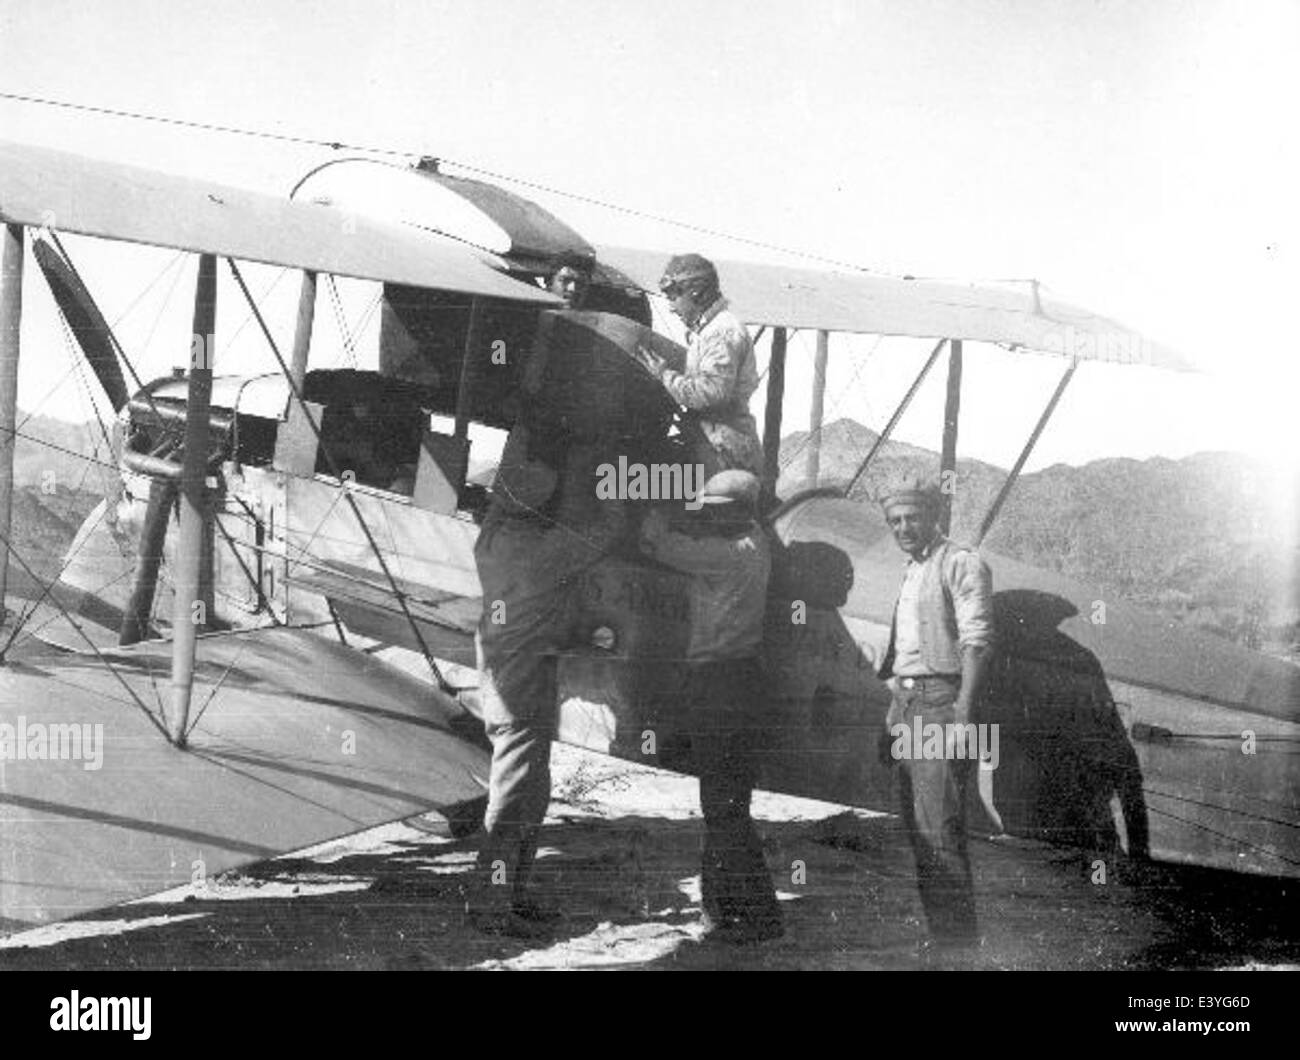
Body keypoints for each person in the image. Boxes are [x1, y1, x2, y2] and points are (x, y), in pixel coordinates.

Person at [467, 426, 626, 938]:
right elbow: (610, 528)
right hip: (524, 691)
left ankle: (511, 895)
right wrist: (599, 469)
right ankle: (491, 907)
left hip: (501, 682)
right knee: (513, 801)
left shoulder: (490, 543)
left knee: (530, 795)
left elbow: (499, 511)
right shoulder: (550, 551)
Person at [638, 468, 783, 944]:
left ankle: (757, 917)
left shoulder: (733, 553)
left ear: (739, 513)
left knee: (723, 808)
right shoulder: (752, 543)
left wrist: (654, 507)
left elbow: (659, 546)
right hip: (735, 682)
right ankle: (723, 912)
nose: (709, 517)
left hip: (721, 684)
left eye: (717, 511)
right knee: (724, 805)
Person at [875, 475, 994, 955]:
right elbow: (907, 650)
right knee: (919, 827)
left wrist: (963, 713)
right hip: (908, 705)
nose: (903, 528)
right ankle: (944, 939)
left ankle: (957, 948)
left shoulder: (960, 562)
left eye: (912, 518)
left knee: (938, 827)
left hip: (939, 704)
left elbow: (978, 641)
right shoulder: (912, 569)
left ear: (933, 517)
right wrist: (893, 709)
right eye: (895, 520)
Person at [634, 253, 763, 478]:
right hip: (715, 444)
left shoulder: (721, 332)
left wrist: (664, 376)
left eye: (674, 297)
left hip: (724, 455)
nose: (671, 308)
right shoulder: (707, 331)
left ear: (696, 293)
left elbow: (712, 393)